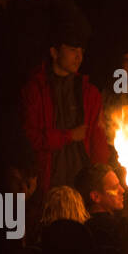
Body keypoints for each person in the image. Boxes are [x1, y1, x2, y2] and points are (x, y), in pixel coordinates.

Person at [21, 24, 109, 194]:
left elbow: (98, 139)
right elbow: (31, 138)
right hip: (47, 184)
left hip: (81, 186)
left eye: (82, 51)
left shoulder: (89, 93)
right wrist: (68, 135)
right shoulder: (35, 90)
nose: (79, 57)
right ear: (54, 52)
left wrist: (102, 179)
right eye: (72, 50)